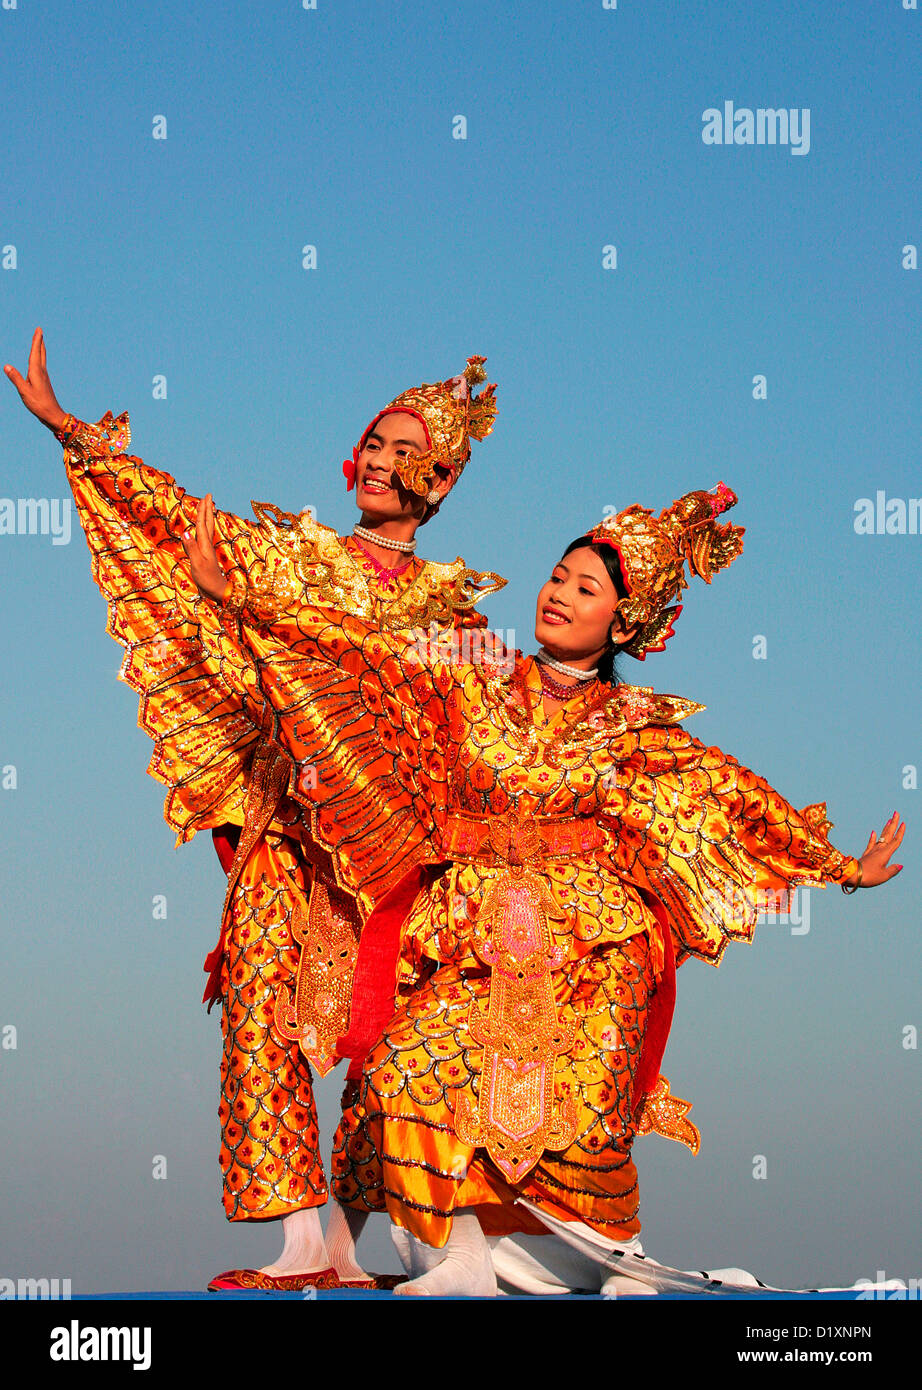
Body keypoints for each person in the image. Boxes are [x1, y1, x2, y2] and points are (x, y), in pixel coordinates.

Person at [175, 475, 905, 1297]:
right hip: (469, 938)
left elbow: (729, 793)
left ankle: (603, 1264)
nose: (559, 594)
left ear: (622, 622)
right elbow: (358, 655)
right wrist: (240, 604)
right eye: (559, 575)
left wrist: (843, 867)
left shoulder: (635, 729)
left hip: (591, 956)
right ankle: (456, 1262)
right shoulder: (476, 671)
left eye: (585, 588)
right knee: (399, 1077)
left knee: (580, 1128)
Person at [4, 328, 505, 1290]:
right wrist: (72, 432)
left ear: (437, 484)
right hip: (285, 829)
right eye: (377, 440)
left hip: (392, 852)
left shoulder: (457, 618)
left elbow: (477, 737)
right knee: (257, 1009)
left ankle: (353, 1246)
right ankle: (298, 1239)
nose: (384, 460)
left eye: (409, 451)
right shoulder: (288, 552)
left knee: (386, 1037)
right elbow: (176, 519)